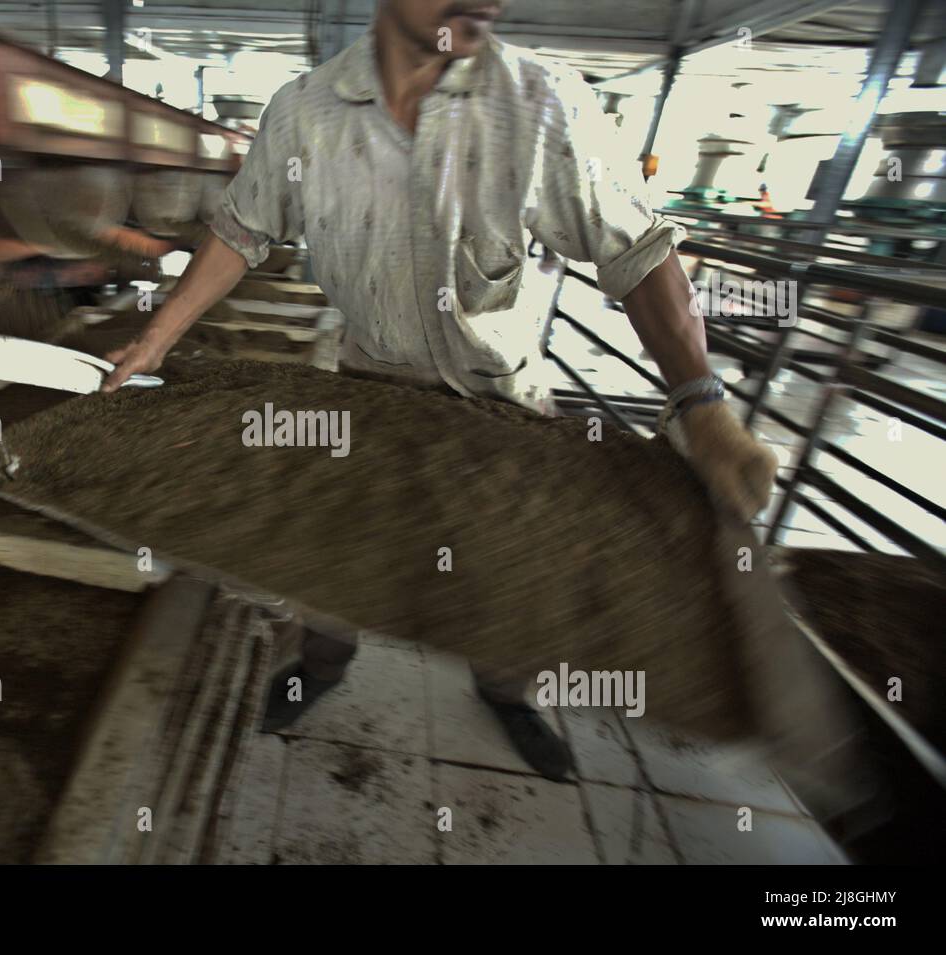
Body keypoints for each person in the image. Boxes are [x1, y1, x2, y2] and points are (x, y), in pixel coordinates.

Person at [102, 0, 777, 780]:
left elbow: (637, 254)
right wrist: (159, 333)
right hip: (369, 395)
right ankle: (322, 664)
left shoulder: (541, 103)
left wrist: (704, 403)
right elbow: (241, 230)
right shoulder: (306, 114)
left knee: (509, 583)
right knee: (336, 561)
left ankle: (508, 692)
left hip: (504, 413)